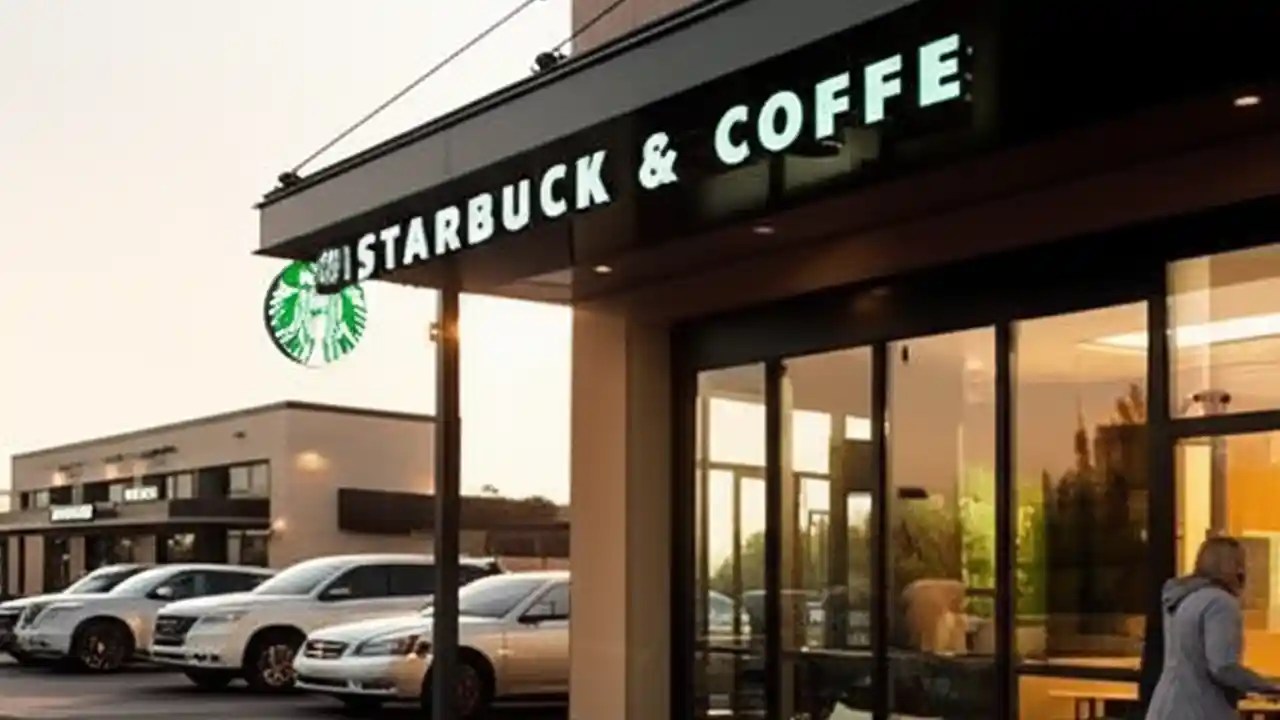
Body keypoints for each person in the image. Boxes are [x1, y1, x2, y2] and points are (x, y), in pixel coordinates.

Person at [1147, 536, 1280, 718]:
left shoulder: (1181, 599)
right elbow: (1222, 666)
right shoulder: (1220, 603)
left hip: (1165, 707)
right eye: (1241, 563)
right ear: (1233, 567)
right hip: (1200, 709)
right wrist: (1268, 687)